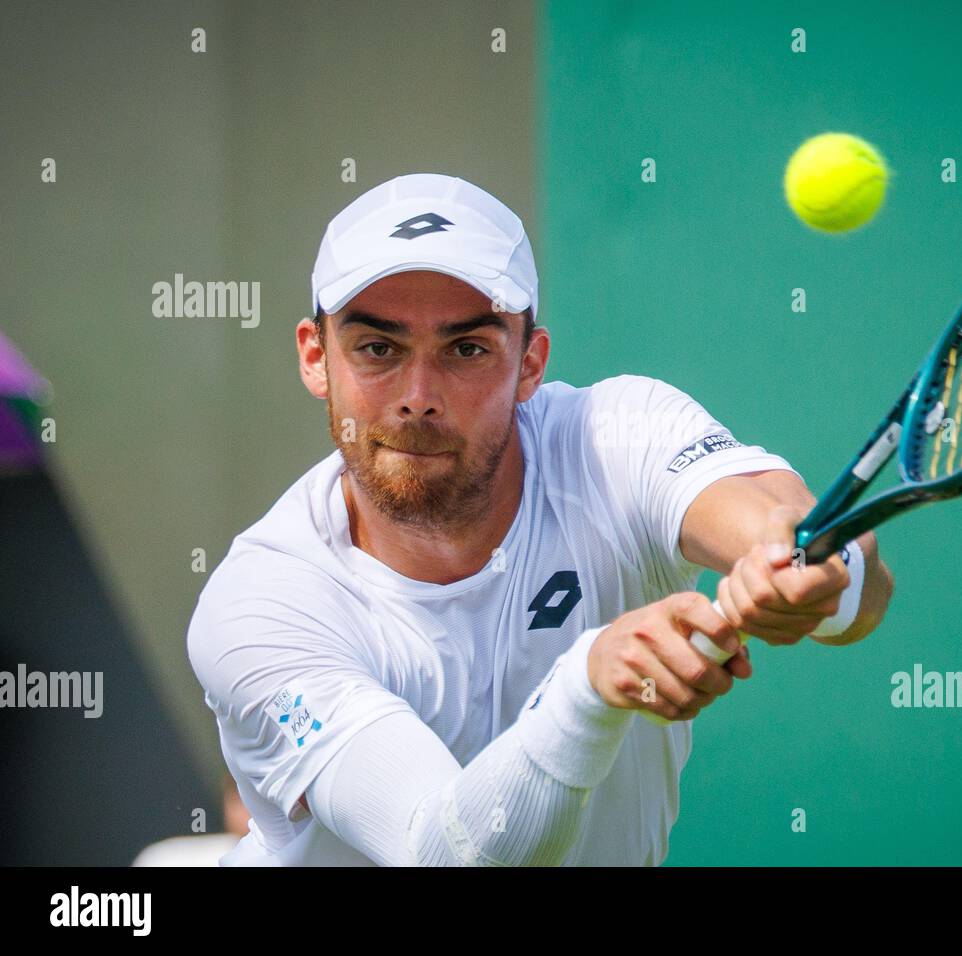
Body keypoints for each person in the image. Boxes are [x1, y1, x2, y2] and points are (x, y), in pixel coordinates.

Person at [186, 173, 894, 866]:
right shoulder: (260, 606)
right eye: (378, 348)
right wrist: (589, 683)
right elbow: (442, 853)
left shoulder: (616, 437)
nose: (419, 397)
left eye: (467, 349)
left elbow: (810, 544)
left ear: (530, 363)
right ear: (317, 358)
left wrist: (814, 577)